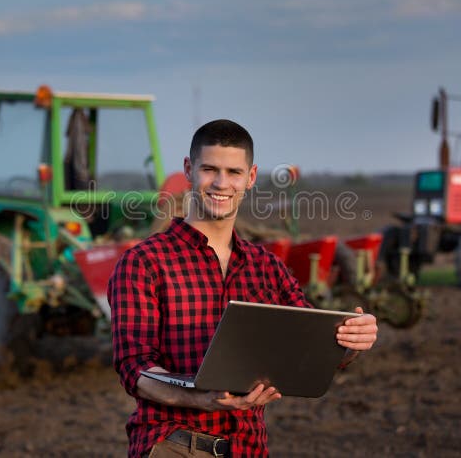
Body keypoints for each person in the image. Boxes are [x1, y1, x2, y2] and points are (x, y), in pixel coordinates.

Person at [109, 119, 378, 457]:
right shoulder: (144, 262)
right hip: (176, 444)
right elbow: (136, 370)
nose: (222, 183)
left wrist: (351, 340)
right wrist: (201, 399)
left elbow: (314, 346)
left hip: (249, 448)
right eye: (209, 169)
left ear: (250, 178)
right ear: (189, 170)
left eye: (234, 172)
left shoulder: (267, 268)